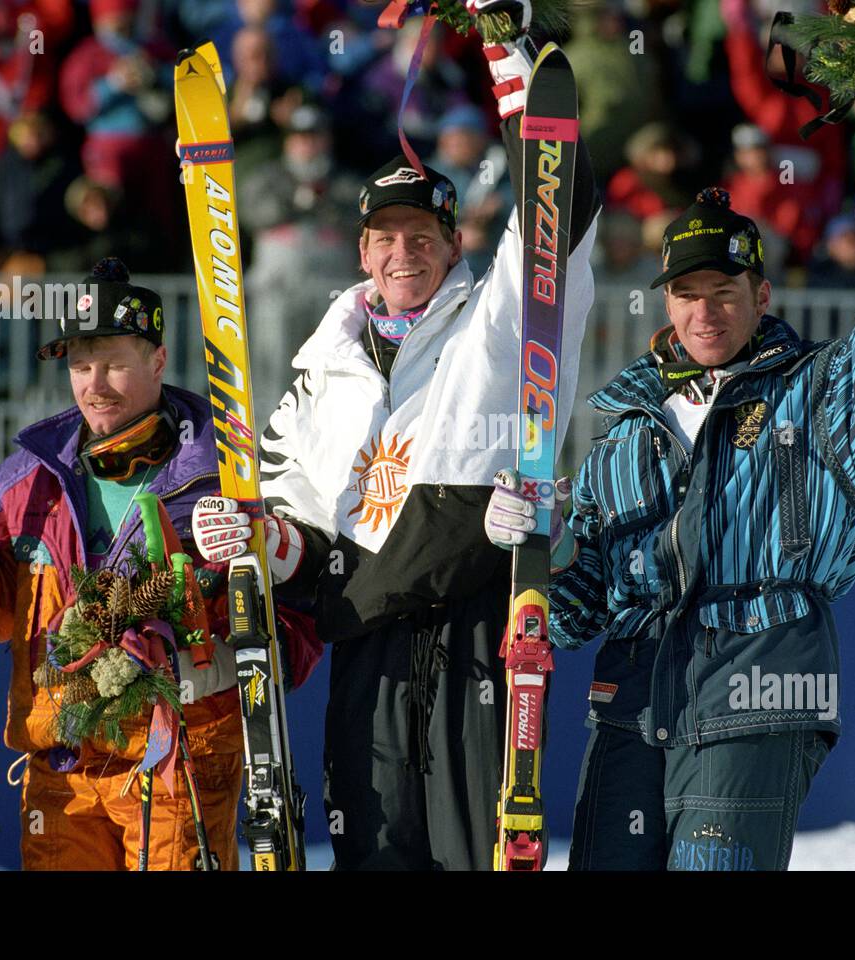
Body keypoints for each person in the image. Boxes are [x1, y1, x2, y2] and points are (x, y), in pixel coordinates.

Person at [486, 64, 855, 870]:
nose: (705, 310)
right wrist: (544, 546)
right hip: (630, 712)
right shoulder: (624, 435)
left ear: (761, 293)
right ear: (665, 303)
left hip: (757, 696)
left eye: (724, 290)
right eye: (687, 292)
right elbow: (574, 619)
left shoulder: (820, 400)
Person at [193, 0, 601, 870]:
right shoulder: (318, 371)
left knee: (477, 852)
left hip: (477, 625)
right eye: (386, 238)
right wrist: (262, 540)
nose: (404, 253)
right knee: (375, 852)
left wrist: (507, 54)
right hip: (364, 640)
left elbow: (556, 217)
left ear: (455, 247)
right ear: (362, 253)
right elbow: (294, 521)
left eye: (424, 236)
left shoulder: (496, 317)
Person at [0, 257, 320, 870]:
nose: (94, 384)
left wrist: (242, 663)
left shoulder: (224, 470)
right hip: (62, 769)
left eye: (114, 363)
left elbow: (291, 616)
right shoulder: (27, 477)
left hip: (178, 759)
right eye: (80, 365)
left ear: (157, 359)